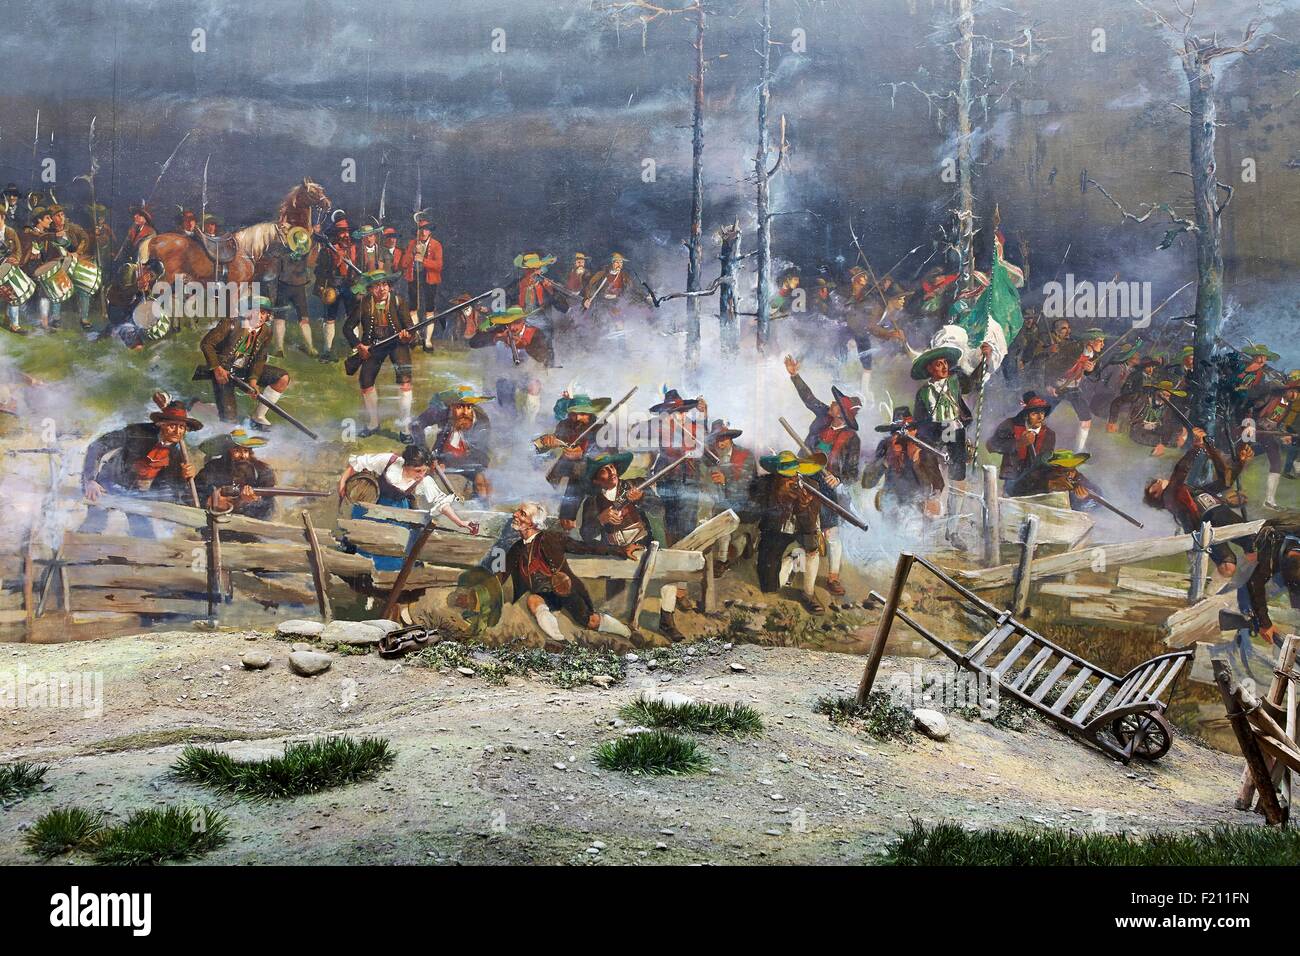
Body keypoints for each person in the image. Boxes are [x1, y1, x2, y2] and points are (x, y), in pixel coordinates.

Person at [494, 501, 637, 649]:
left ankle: (627, 632)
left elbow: (585, 547)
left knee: (591, 621)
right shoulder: (517, 548)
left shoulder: (552, 538)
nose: (515, 515)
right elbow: (501, 574)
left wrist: (620, 550)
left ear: (533, 523)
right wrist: (486, 587)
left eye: (522, 513)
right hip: (544, 594)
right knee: (533, 600)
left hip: (566, 589)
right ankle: (560, 641)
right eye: (518, 511)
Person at [783, 355, 861, 596]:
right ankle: (796, 572)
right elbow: (808, 399)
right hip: (805, 478)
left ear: (843, 415)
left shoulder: (852, 439)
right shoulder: (823, 417)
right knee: (799, 526)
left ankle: (833, 577)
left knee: (830, 532)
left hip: (828, 488)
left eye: (837, 404)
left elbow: (852, 473)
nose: (831, 404)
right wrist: (795, 375)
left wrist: (839, 480)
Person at [338, 444, 480, 571]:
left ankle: (386, 575)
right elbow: (357, 463)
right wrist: (343, 484)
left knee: (393, 546)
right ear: (406, 465)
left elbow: (441, 504)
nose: (421, 475)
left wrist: (461, 523)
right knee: (364, 538)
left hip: (397, 512)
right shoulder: (389, 461)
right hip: (375, 504)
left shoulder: (424, 481)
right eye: (418, 470)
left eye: (424, 471)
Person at [80, 400, 202, 538]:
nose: (177, 431)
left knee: (144, 535)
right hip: (110, 483)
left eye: (181, 427)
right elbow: (96, 446)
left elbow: (170, 489)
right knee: (94, 523)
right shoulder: (137, 432)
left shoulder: (178, 456)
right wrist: (90, 480)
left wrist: (183, 477)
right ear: (161, 424)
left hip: (138, 494)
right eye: (172, 425)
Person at [1144, 427, 1254, 578]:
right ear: (1156, 496)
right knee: (1228, 566)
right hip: (1204, 525)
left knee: (1251, 547)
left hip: (1219, 514)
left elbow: (1225, 482)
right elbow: (1180, 472)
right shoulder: (1169, 497)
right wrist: (1196, 447)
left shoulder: (1190, 491)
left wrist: (1238, 462)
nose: (1157, 480)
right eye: (1153, 486)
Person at [749, 450, 831, 613]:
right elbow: (756, 514)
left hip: (802, 531)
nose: (791, 479)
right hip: (774, 533)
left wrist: (802, 507)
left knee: (811, 548)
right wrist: (780, 500)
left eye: (793, 475)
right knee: (770, 587)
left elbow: (810, 527)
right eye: (785, 476)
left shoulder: (811, 487)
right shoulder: (764, 484)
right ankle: (792, 559)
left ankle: (809, 594)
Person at [194, 295, 291, 430]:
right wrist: (217, 368)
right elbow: (206, 344)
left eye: (263, 313)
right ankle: (201, 407)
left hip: (246, 369)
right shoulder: (231, 323)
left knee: (283, 378)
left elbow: (260, 358)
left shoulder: (267, 331)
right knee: (229, 419)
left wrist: (253, 380)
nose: (259, 316)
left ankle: (258, 417)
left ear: (268, 316)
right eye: (254, 311)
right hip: (224, 372)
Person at [343, 269, 416, 439]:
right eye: (376, 286)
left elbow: (411, 328)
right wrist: (359, 345)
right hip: (373, 347)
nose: (382, 289)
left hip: (398, 344)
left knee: (405, 382)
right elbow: (347, 328)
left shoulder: (398, 301)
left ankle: (404, 430)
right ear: (369, 289)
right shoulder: (363, 304)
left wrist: (407, 337)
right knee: (366, 382)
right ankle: (374, 424)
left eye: (384, 284)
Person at [912, 342, 988, 483]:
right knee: (931, 463)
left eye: (945, 362)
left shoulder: (954, 381)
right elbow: (919, 419)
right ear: (930, 368)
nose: (944, 367)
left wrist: (984, 361)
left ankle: (956, 491)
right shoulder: (923, 392)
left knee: (956, 470)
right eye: (939, 364)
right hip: (933, 431)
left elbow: (971, 384)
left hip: (953, 428)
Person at [534, 393, 611, 528]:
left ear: (590, 413)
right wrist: (547, 442)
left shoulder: (602, 428)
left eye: (582, 413)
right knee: (559, 515)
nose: (578, 418)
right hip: (563, 473)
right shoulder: (565, 425)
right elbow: (549, 444)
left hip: (591, 475)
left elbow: (609, 453)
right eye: (573, 414)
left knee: (580, 517)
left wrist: (583, 454)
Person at [861, 406, 945, 518]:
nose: (902, 437)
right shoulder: (886, 446)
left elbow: (937, 484)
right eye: (897, 432)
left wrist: (917, 462)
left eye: (908, 430)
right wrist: (885, 462)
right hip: (891, 507)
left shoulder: (923, 447)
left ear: (914, 430)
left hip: (917, 509)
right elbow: (867, 483)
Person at [413, 385, 494, 501]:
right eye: (460, 407)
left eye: (469, 407)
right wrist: (426, 454)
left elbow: (481, 453)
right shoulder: (442, 413)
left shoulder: (481, 421)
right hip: (441, 460)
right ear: (451, 406)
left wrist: (477, 472)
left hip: (471, 462)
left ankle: (482, 508)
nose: (465, 412)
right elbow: (416, 425)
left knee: (483, 482)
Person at [648, 388, 706, 544]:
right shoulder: (661, 428)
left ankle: (686, 554)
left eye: (680, 412)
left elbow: (703, 438)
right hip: (667, 479)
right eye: (671, 413)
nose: (677, 415)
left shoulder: (693, 427)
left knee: (687, 523)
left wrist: (703, 414)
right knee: (671, 521)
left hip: (689, 480)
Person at [700, 420, 757, 572]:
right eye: (717, 439)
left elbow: (747, 484)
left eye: (723, 439)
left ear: (730, 438)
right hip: (716, 498)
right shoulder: (709, 455)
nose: (720, 443)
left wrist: (726, 481)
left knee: (722, 516)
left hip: (741, 498)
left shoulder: (745, 455)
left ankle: (723, 560)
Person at [196, 428, 278, 521]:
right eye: (237, 450)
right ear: (227, 452)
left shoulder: (262, 472)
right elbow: (196, 492)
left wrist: (251, 502)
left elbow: (267, 507)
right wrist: (213, 500)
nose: (243, 456)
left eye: (246, 451)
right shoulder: (213, 468)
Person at [1247, 377, 1300, 509]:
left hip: (1267, 435)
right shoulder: (1271, 397)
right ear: (1287, 389)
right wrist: (1249, 424)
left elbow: (1278, 424)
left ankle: (1269, 501)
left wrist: (1284, 436)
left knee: (1276, 462)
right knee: (1239, 455)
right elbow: (1251, 408)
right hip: (1252, 429)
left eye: (1298, 394)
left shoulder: (1288, 406)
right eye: (1294, 391)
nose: (1295, 395)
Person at [987, 391, 1056, 486]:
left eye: (1042, 413)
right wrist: (1019, 444)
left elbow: (1047, 459)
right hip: (1012, 478)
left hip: (1037, 480)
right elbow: (992, 445)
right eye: (1034, 414)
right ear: (1026, 415)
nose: (1040, 417)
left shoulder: (1049, 434)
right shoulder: (1010, 425)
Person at [314, 217, 358, 362]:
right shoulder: (328, 250)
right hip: (333, 285)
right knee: (330, 318)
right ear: (336, 234)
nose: (345, 235)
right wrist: (337, 260)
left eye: (346, 232)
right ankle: (327, 351)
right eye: (341, 232)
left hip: (349, 285)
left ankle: (355, 348)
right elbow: (320, 271)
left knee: (352, 316)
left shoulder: (354, 248)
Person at [269, 226, 317, 356]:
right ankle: (281, 348)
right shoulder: (291, 252)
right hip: (289, 286)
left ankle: (307, 347)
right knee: (285, 318)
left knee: (298, 319)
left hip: (290, 287)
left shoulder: (284, 252)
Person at [1006, 449, 1101, 512]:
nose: (1069, 474)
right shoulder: (1037, 475)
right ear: (1053, 469)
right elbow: (1014, 491)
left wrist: (1082, 499)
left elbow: (1098, 498)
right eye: (1064, 470)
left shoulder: (1077, 477)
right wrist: (1048, 486)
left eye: (1072, 469)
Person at [48, 205, 92, 329]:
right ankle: (56, 318)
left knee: (84, 289)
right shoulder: (49, 231)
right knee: (57, 289)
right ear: (52, 218)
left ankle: (84, 318)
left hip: (75, 262)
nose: (61, 217)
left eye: (62, 214)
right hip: (59, 265)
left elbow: (85, 237)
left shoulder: (72, 227)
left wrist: (78, 252)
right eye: (57, 215)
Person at [469, 306, 555, 367]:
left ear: (523, 321)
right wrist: (497, 338)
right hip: (504, 374)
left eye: (516, 322)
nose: (512, 327)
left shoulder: (535, 333)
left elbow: (545, 359)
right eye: (509, 323)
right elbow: (473, 343)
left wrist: (524, 345)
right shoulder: (503, 330)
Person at [403, 217, 443, 348]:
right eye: (421, 229)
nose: (423, 232)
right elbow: (403, 264)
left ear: (430, 231)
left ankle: (427, 340)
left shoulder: (436, 245)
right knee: (413, 308)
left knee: (429, 310)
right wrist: (412, 254)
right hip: (414, 279)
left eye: (426, 229)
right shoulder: (412, 243)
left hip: (430, 280)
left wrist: (423, 260)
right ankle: (415, 336)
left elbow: (438, 266)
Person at [0, 205, 25, 334]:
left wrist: (15, 259)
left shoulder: (11, 232)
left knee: (13, 295)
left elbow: (18, 251)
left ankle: (14, 324)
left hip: (9, 269)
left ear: (3, 217)